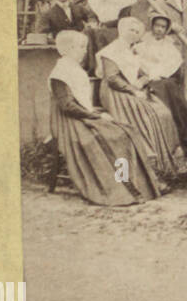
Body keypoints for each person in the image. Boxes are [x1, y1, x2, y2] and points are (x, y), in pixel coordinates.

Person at [46, 31, 165, 205]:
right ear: (69, 49)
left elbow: (79, 102)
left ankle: (140, 184)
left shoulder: (72, 68)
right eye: (81, 47)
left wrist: (95, 113)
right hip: (70, 123)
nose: (84, 51)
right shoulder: (60, 72)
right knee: (115, 137)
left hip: (81, 116)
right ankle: (121, 187)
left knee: (127, 130)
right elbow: (67, 106)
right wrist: (96, 115)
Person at [95, 17, 184, 173]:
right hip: (115, 93)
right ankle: (151, 162)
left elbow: (140, 71)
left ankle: (169, 159)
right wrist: (133, 90)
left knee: (163, 112)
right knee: (147, 115)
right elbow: (112, 78)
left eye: (137, 31)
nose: (134, 33)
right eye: (131, 29)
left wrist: (143, 80)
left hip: (130, 89)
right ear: (122, 30)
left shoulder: (130, 49)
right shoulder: (112, 50)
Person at [135, 14, 187, 159]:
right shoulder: (142, 43)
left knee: (177, 107)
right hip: (146, 80)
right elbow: (137, 62)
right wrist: (146, 75)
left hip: (163, 80)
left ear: (167, 29)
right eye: (157, 26)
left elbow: (170, 66)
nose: (159, 29)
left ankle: (185, 144)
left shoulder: (169, 46)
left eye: (163, 27)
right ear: (152, 26)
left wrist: (153, 74)